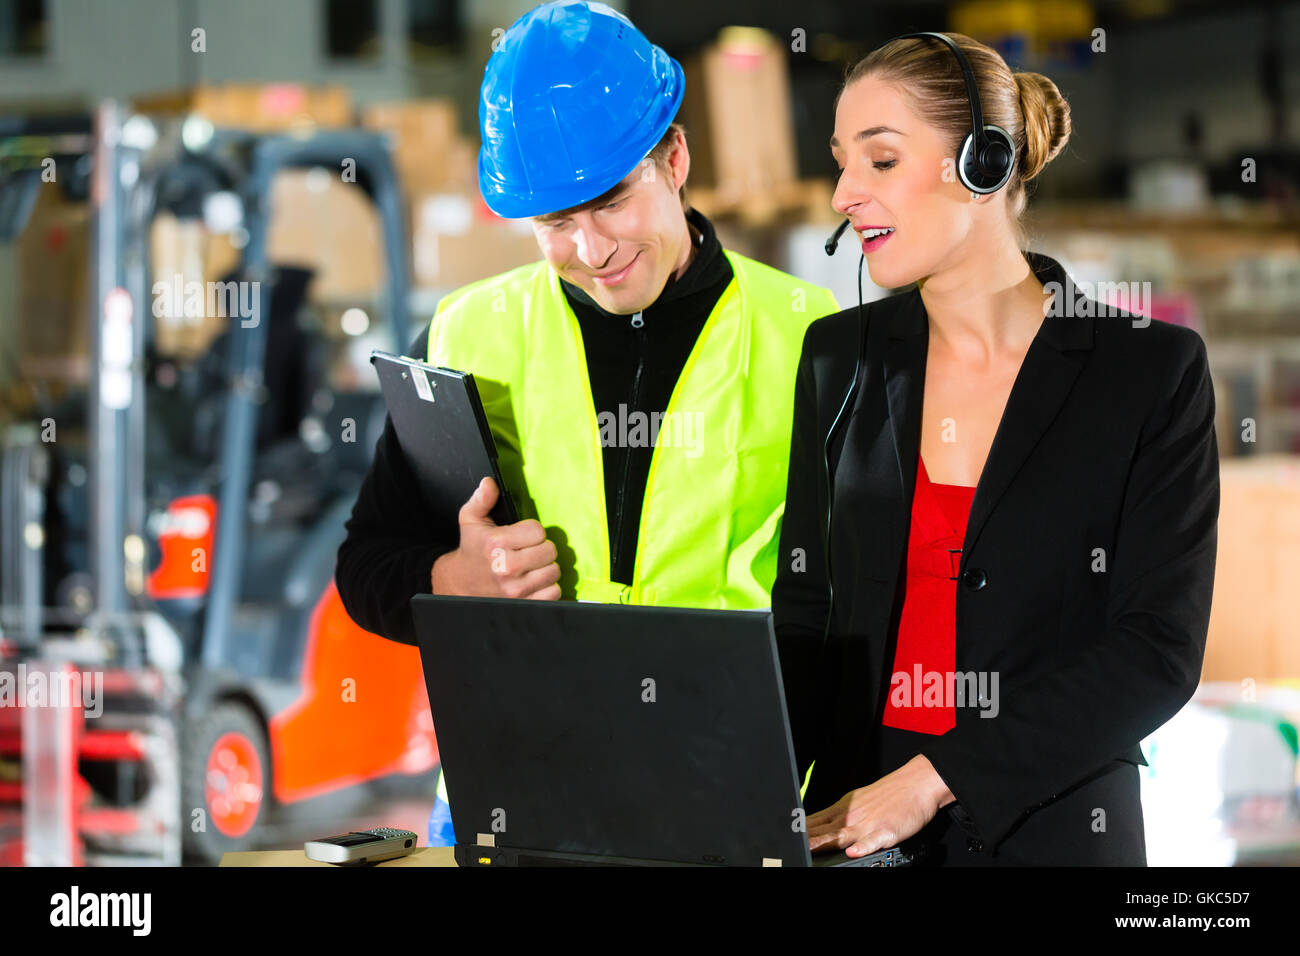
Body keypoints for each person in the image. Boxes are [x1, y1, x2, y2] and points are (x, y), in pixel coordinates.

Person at [335, 0, 837, 847]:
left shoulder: (809, 332)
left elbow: (860, 595)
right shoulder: (467, 335)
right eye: (556, 224)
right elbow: (366, 563)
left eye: (611, 201)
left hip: (735, 791)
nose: (593, 248)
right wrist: (453, 579)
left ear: (675, 158)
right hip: (519, 790)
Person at [772, 32, 1218, 866]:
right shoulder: (839, 359)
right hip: (855, 821)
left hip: (1051, 820)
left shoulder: (1147, 373)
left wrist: (936, 776)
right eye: (842, 163)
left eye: (879, 161)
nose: (841, 194)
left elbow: (1156, 650)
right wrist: (739, 790)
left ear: (981, 162)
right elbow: (804, 608)